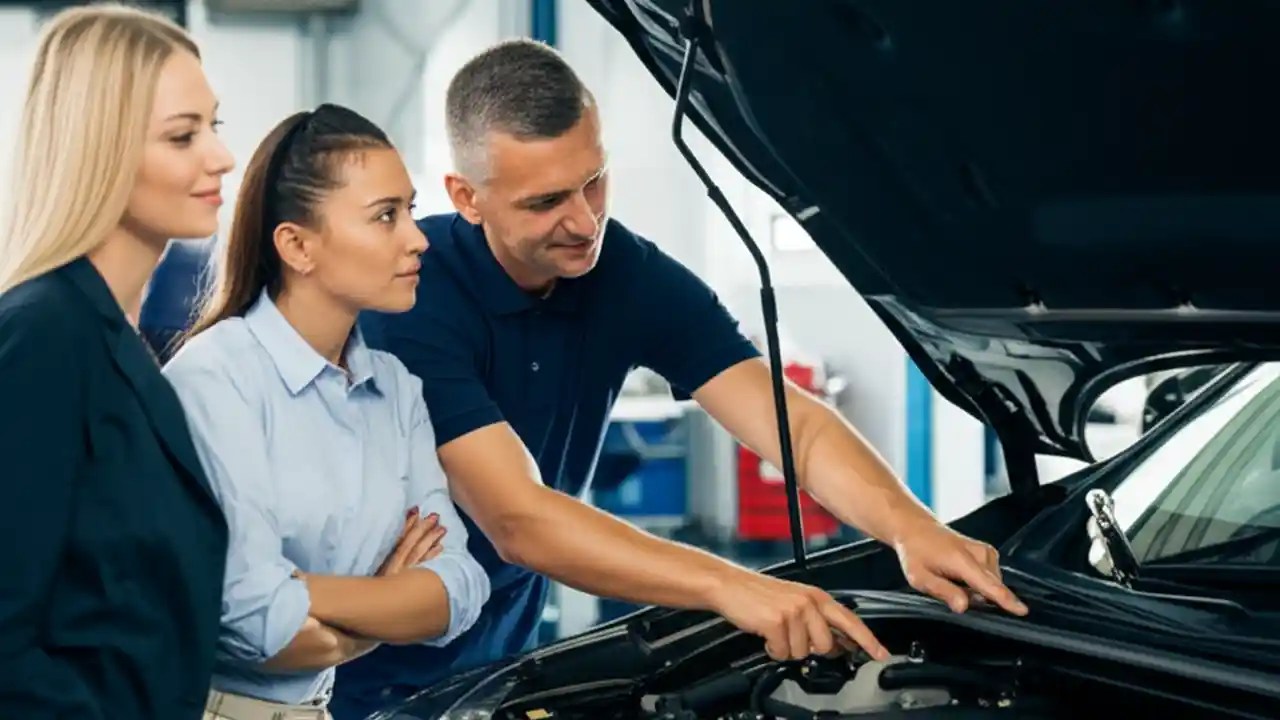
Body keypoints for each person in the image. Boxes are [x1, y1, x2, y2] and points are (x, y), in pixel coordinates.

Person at [342, 39, 1029, 718]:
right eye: (546, 201)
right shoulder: (411, 297)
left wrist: (910, 528)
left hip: (495, 664)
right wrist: (730, 585)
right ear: (467, 196)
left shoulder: (628, 276)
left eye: (595, 179)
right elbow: (517, 520)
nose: (585, 221)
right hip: (350, 672)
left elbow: (797, 429)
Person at [162, 103, 491, 720]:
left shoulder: (395, 389)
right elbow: (254, 624)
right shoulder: (214, 380)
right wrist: (387, 602)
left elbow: (461, 590)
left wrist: (301, 593)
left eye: (410, 210)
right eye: (385, 216)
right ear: (297, 246)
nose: (418, 238)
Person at [0, 5, 234, 719]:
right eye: (181, 136)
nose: (220, 157)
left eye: (213, 127)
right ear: (95, 149)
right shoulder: (44, 337)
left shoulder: (109, 339)